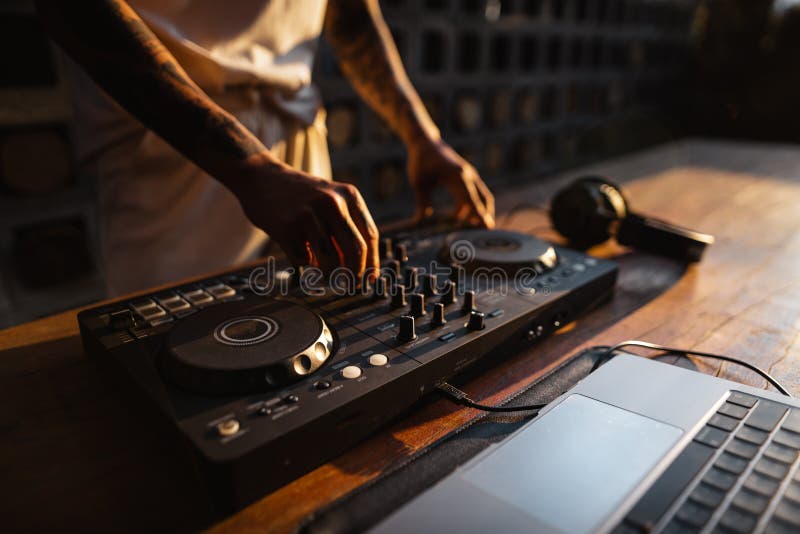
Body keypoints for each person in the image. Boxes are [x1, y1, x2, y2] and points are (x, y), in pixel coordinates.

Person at [35, 0, 495, 295]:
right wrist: (250, 168)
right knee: (182, 357)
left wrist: (423, 137)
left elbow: (351, 15)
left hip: (296, 135)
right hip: (171, 144)